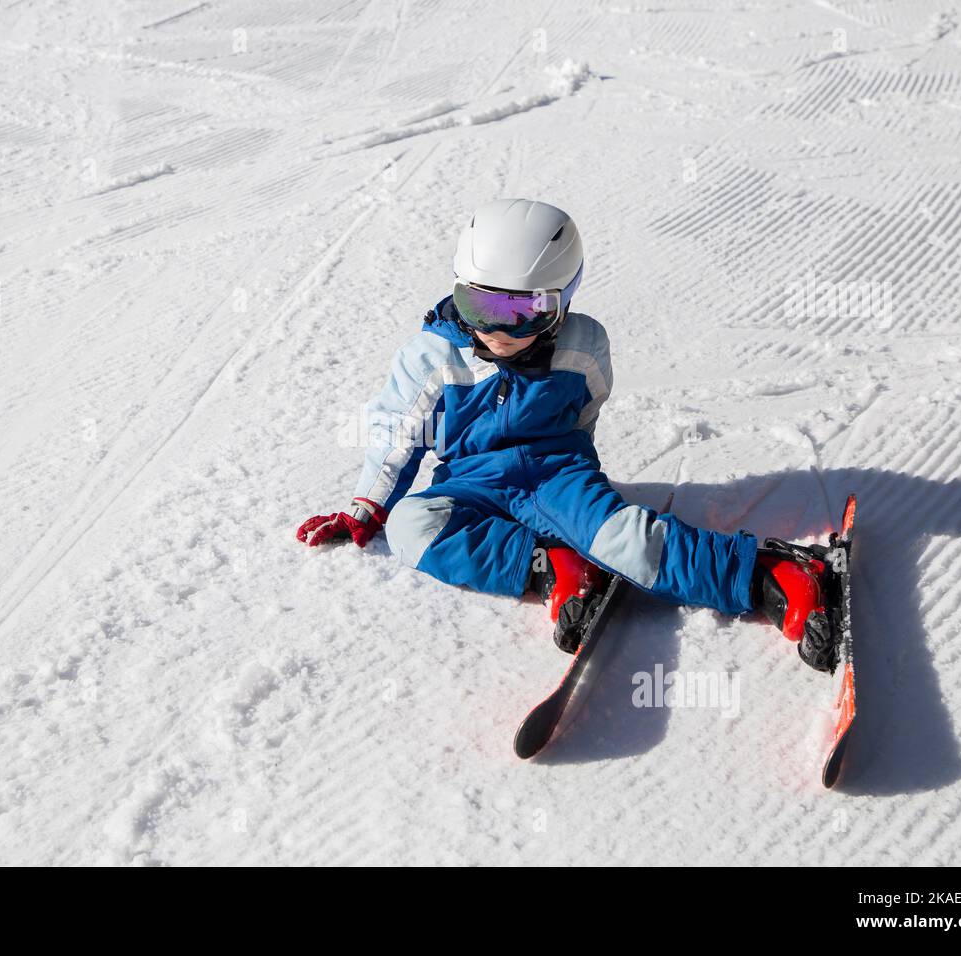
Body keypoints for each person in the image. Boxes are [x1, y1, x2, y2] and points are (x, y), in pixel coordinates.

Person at [297, 199, 836, 671]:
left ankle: (774, 574)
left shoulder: (583, 344)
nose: (495, 329)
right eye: (478, 305)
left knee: (626, 544)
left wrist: (576, 481)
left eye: (521, 312)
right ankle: (552, 566)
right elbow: (397, 434)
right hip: (472, 479)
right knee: (414, 526)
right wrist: (366, 507)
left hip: (557, 472)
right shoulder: (433, 357)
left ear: (560, 302)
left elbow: (587, 409)